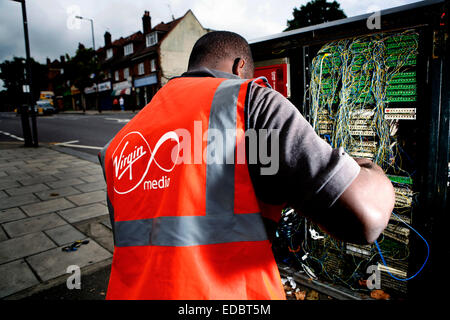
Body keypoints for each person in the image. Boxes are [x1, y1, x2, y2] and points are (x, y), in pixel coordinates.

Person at [98, 31, 394, 300]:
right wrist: (368, 166)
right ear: (240, 68)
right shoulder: (249, 100)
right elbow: (366, 220)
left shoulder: (117, 144)